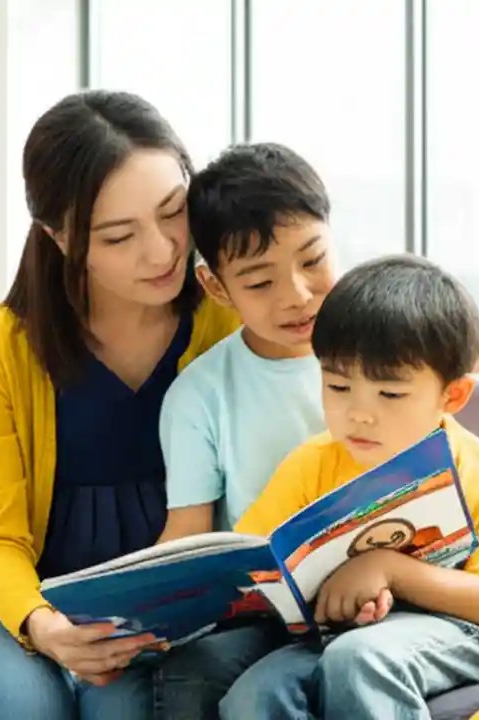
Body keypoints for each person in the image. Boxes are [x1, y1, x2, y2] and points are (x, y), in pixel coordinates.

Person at [0, 89, 259, 720]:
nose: (163, 250)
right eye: (118, 236)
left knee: (128, 707)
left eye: (174, 211)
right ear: (59, 237)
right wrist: (44, 626)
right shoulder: (4, 347)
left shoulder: (229, 318)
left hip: (173, 608)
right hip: (23, 595)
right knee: (25, 704)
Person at [221, 255, 479, 719]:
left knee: (359, 658)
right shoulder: (313, 462)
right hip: (345, 632)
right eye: (338, 387)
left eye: (389, 394)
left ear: (453, 396)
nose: (359, 414)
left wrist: (387, 568)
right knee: (255, 693)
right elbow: (252, 559)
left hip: (473, 635)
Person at [157, 143, 336, 539]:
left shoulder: (385, 351)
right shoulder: (200, 395)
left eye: (312, 261)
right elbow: (187, 535)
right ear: (216, 287)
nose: (297, 296)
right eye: (260, 283)